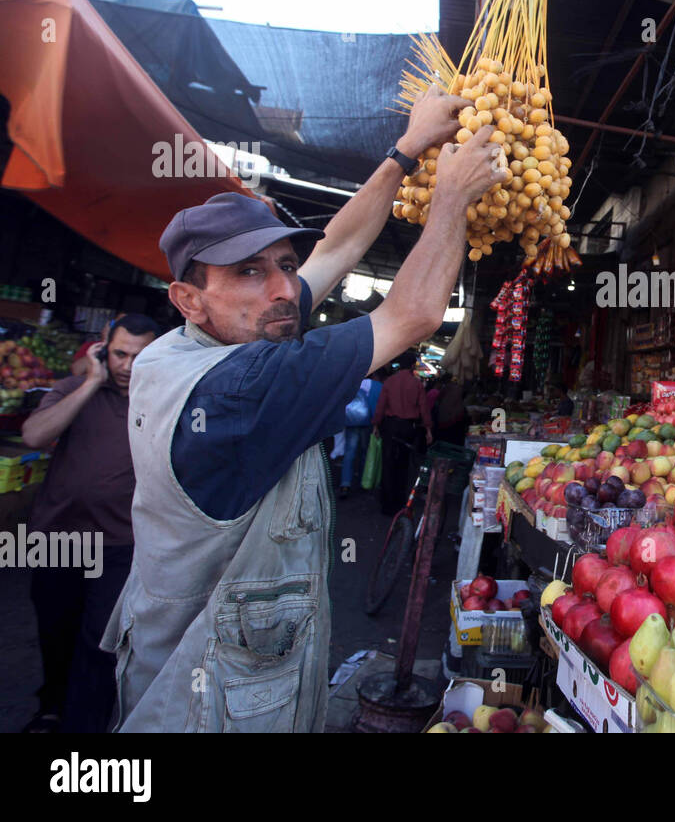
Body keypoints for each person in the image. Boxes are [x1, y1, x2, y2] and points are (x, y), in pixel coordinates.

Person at [99, 87, 500, 732]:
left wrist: (405, 150)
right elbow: (415, 314)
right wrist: (451, 196)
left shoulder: (194, 342)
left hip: (190, 665)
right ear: (187, 298)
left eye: (284, 265)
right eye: (250, 272)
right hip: (207, 707)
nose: (286, 288)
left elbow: (337, 249)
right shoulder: (242, 386)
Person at [20, 313, 159, 733]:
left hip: (120, 544)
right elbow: (34, 437)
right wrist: (89, 383)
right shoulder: (72, 389)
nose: (127, 366)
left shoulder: (158, 398)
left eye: (139, 356)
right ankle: (52, 708)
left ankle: (82, 727)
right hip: (58, 539)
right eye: (119, 354)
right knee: (55, 629)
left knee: (100, 640)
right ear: (102, 348)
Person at [372, 353, 433, 514]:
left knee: (388, 464)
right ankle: (399, 503)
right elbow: (424, 409)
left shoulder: (389, 382)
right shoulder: (417, 384)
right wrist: (428, 429)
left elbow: (381, 406)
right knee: (403, 465)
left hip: (390, 427)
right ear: (413, 365)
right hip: (408, 429)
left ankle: (386, 504)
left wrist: (376, 425)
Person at [338, 370, 382, 499]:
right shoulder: (377, 386)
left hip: (351, 421)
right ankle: (363, 481)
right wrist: (376, 425)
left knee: (349, 452)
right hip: (367, 423)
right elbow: (377, 407)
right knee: (365, 452)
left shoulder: (352, 383)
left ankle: (345, 484)